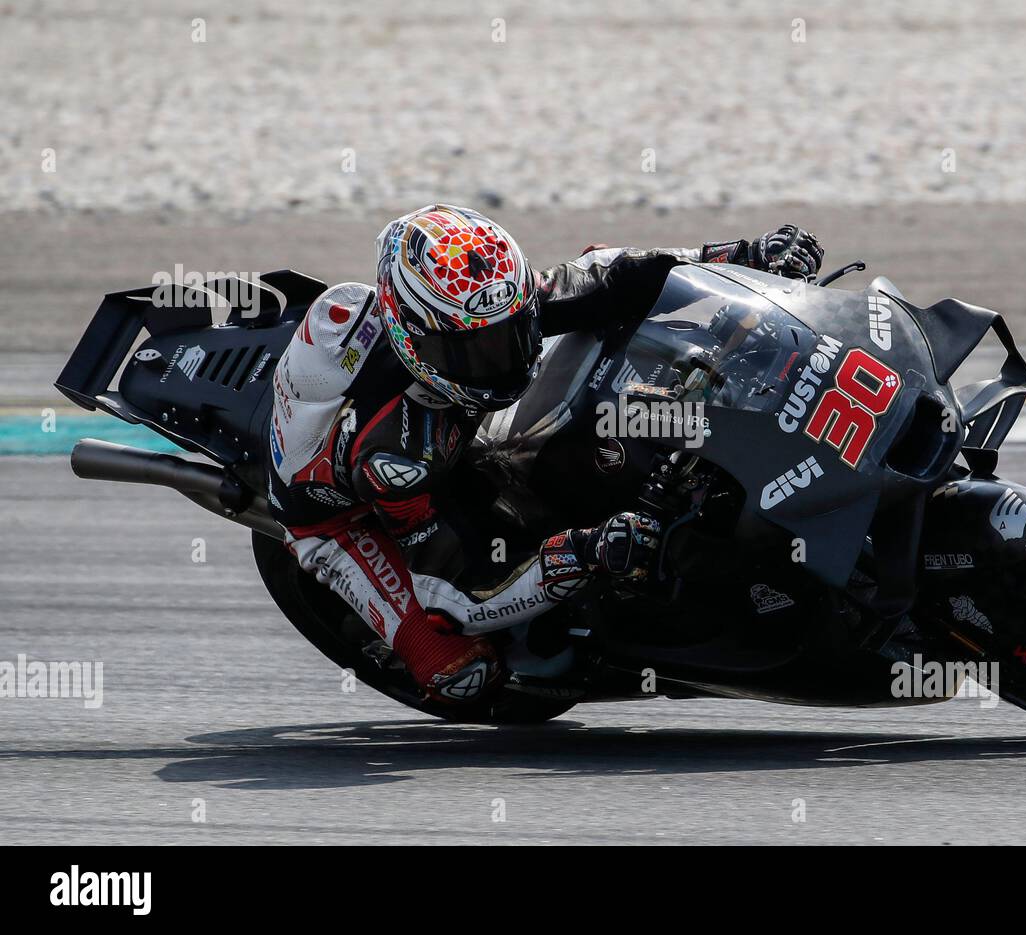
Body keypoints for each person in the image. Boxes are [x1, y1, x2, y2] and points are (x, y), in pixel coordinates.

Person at [267, 204, 823, 703]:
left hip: (427, 414)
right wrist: (584, 551)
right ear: (415, 340)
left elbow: (610, 274)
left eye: (510, 333)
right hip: (338, 517)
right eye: (475, 349)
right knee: (459, 669)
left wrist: (743, 255)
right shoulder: (396, 454)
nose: (502, 359)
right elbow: (458, 589)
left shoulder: (486, 307)